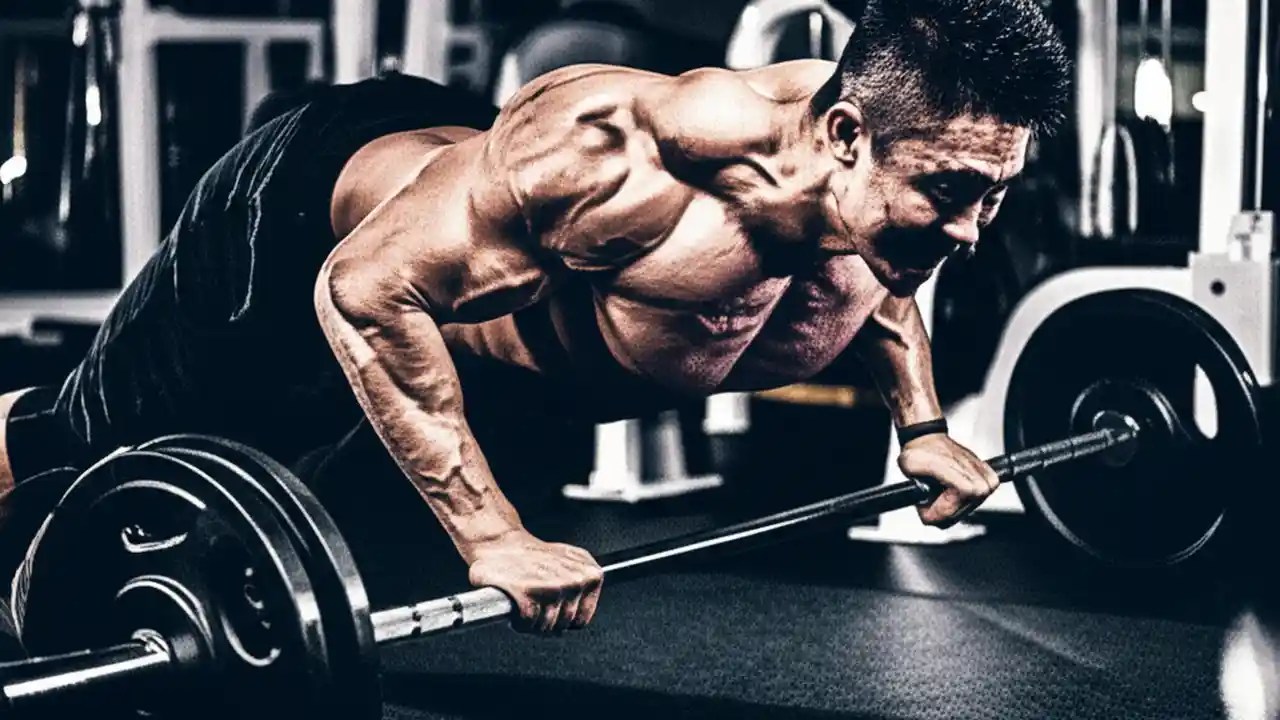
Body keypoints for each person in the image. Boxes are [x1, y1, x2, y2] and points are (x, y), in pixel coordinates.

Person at [0, 0, 1069, 635]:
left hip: (471, 295)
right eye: (948, 191)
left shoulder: (882, 186)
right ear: (842, 134)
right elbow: (362, 291)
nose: (972, 229)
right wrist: (496, 537)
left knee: (291, 502)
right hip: (288, 224)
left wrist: (921, 427)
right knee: (81, 440)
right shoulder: (628, 168)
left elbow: (881, 275)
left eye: (994, 191)